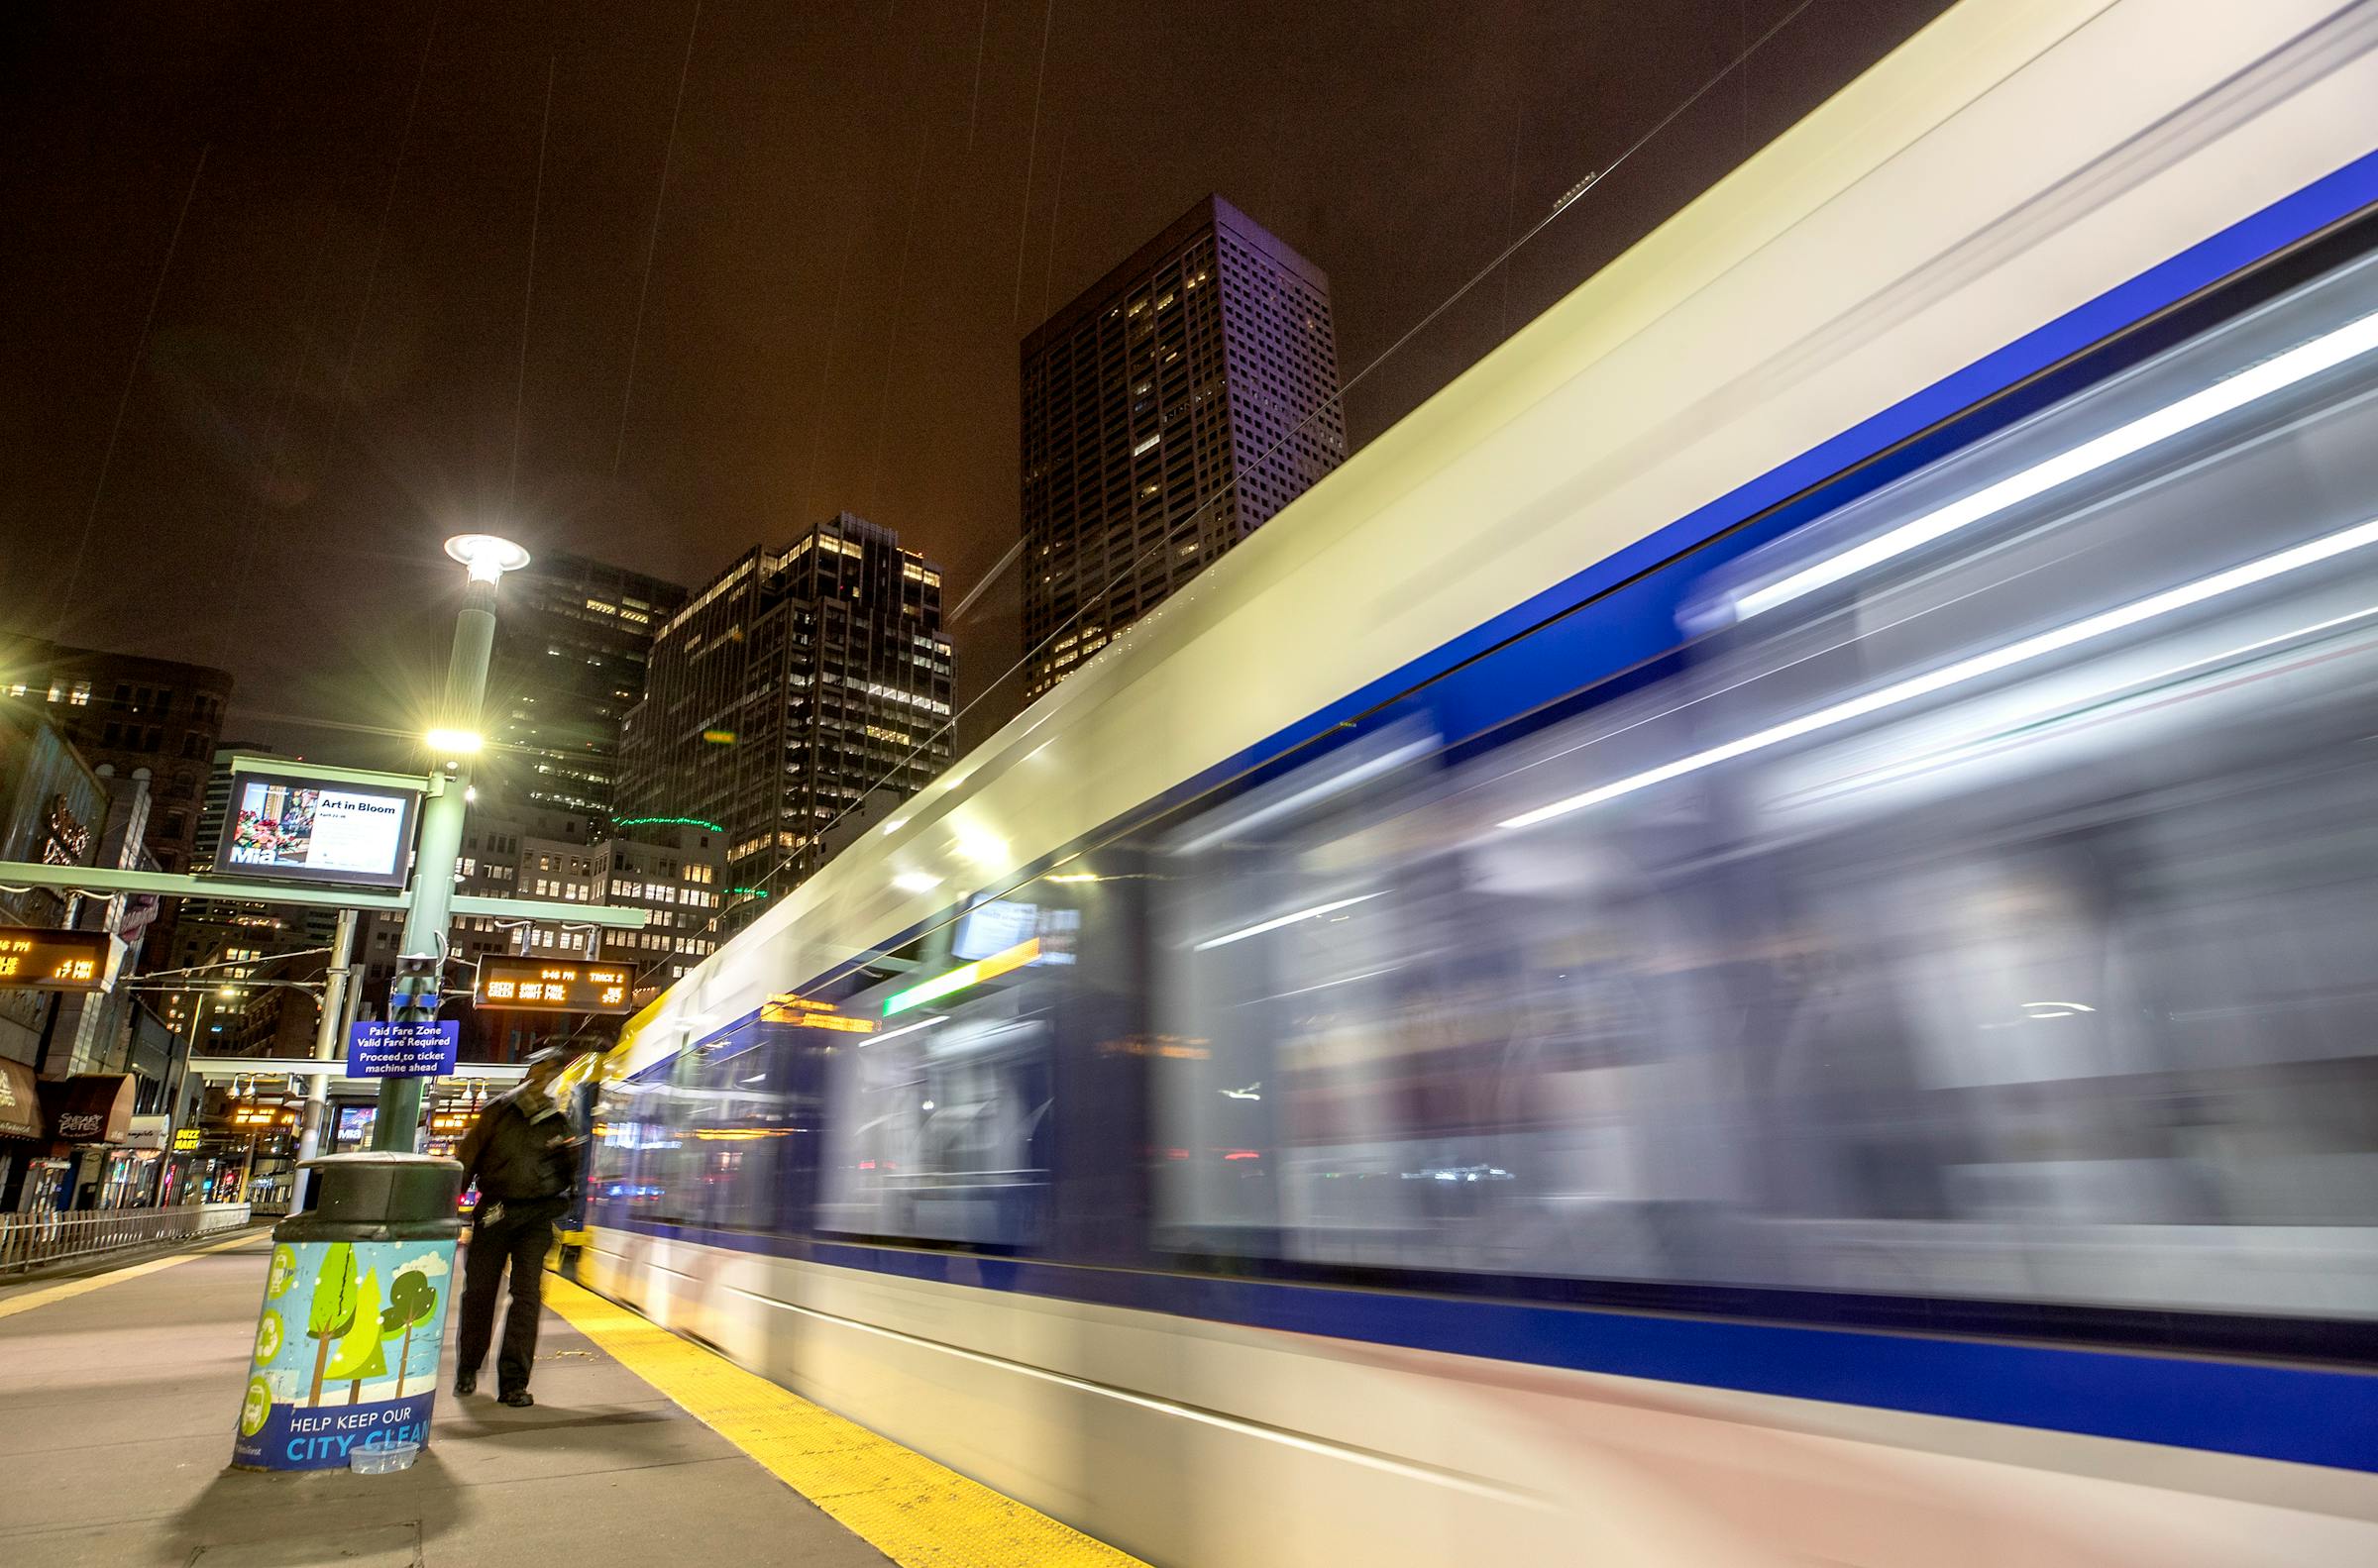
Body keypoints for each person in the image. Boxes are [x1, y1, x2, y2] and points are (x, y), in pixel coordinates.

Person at [453, 1045, 586, 1407]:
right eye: (542, 1068)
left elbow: (570, 1170)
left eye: (553, 1070)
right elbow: (467, 1157)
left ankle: (513, 1383)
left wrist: (567, 1176)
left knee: (527, 1297)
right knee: (480, 1292)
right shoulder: (498, 1111)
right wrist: (451, 1206)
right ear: (529, 1072)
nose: (546, 1076)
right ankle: (468, 1366)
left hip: (537, 1217)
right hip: (495, 1211)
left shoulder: (558, 1120)